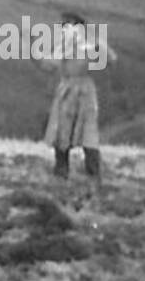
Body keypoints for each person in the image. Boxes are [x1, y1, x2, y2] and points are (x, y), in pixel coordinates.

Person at [37, 13, 114, 181]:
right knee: (62, 132)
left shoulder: (88, 43)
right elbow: (50, 65)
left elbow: (110, 58)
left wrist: (95, 44)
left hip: (84, 90)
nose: (65, 29)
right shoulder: (65, 44)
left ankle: (93, 173)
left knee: (88, 132)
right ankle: (62, 171)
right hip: (68, 88)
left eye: (69, 25)